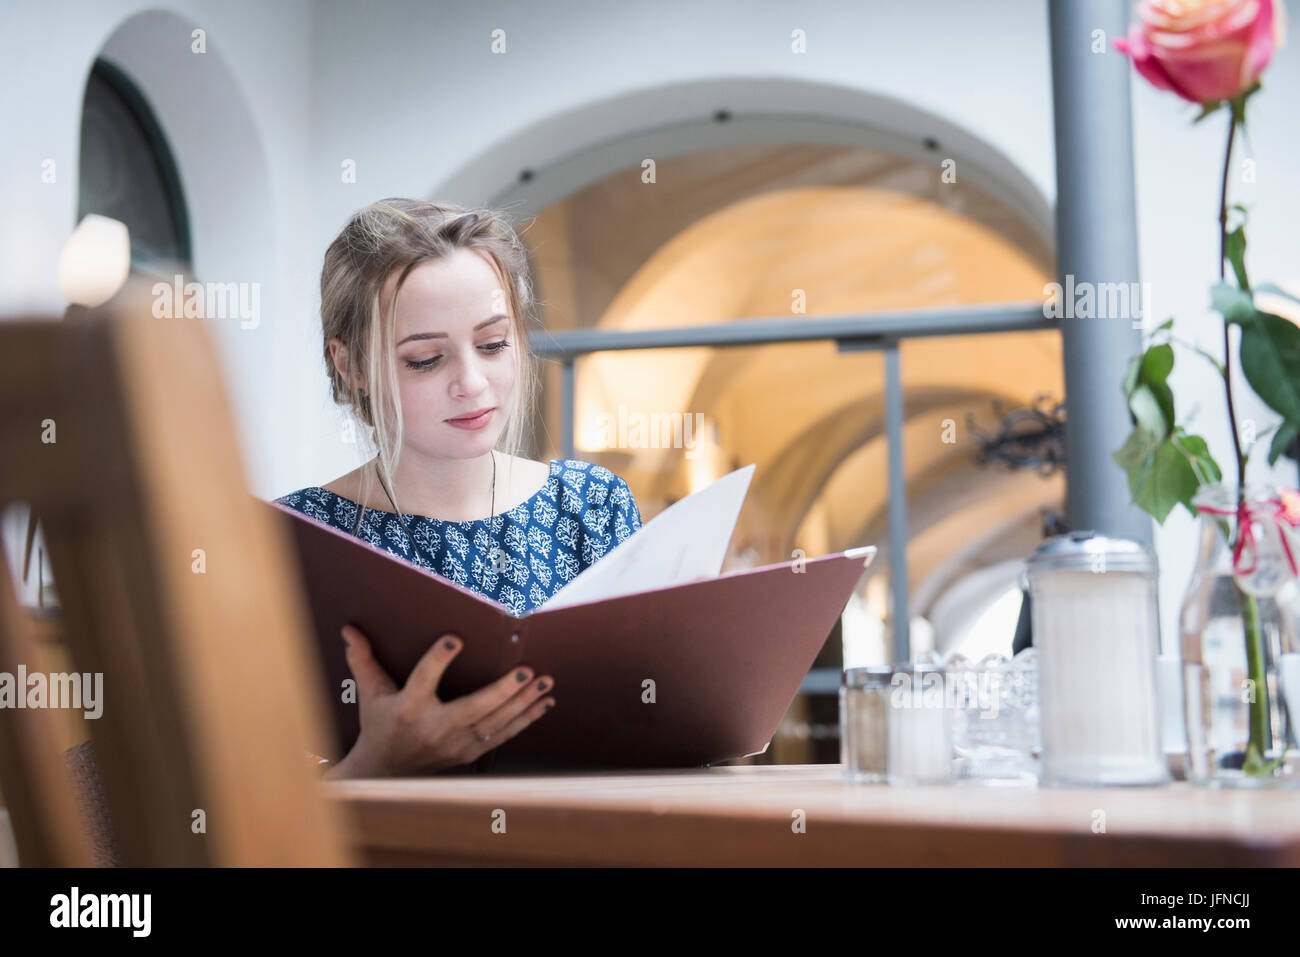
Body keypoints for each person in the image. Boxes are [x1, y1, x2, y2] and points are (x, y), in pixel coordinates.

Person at [274, 198, 643, 778]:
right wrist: (371, 768)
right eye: (425, 359)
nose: (472, 384)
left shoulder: (593, 509)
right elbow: (236, 807)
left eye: (494, 344)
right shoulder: (295, 541)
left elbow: (656, 729)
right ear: (350, 366)